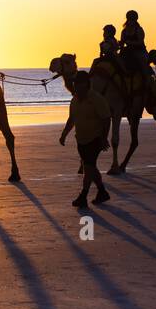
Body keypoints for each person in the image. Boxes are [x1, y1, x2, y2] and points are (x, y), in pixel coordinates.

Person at [60, 71, 112, 208]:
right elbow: (71, 119)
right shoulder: (74, 100)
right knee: (91, 167)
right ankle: (102, 192)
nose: (77, 86)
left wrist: (104, 138)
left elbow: (106, 118)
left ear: (86, 84)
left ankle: (83, 196)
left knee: (88, 167)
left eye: (80, 83)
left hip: (95, 138)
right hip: (81, 139)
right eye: (75, 83)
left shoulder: (96, 99)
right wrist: (64, 133)